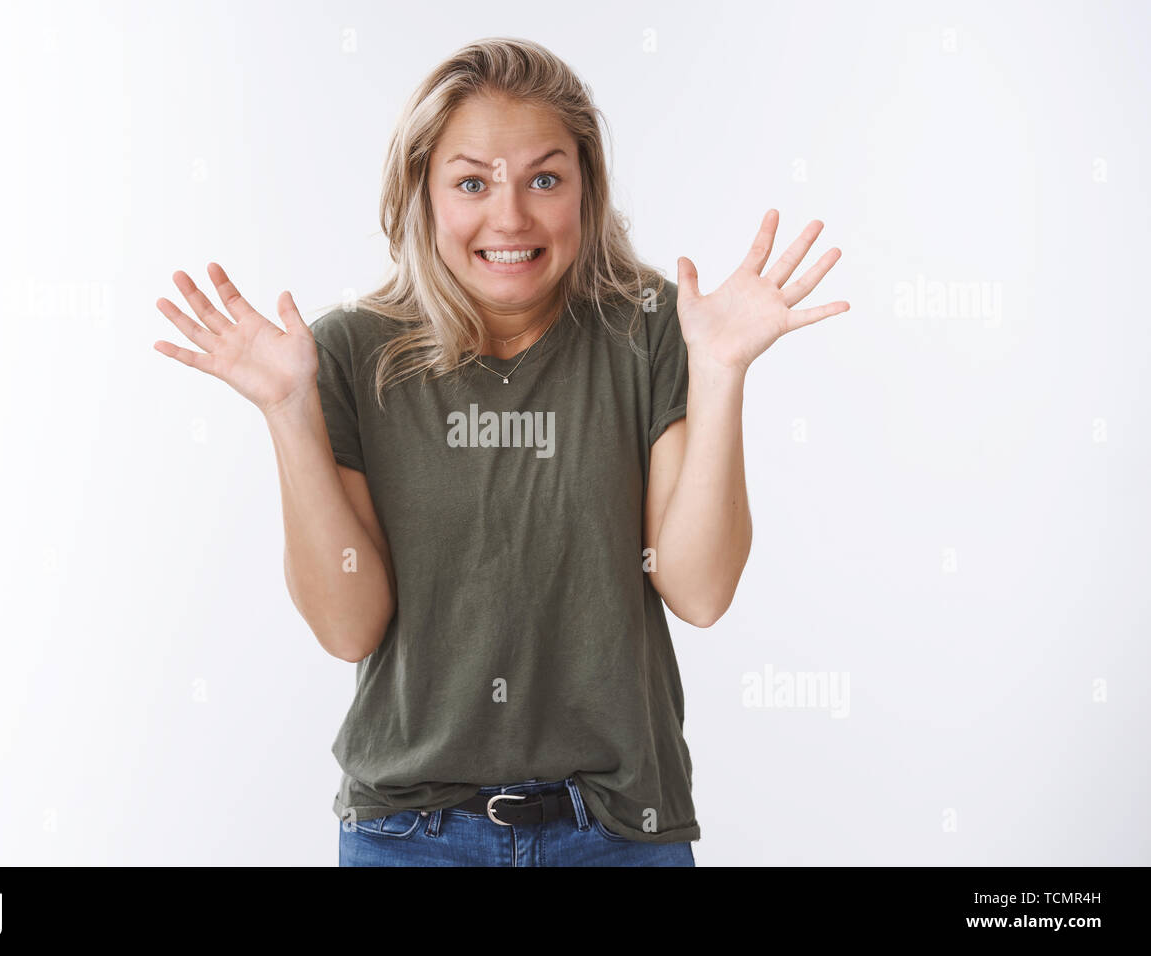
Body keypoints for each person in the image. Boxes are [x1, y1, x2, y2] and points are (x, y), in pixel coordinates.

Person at [153, 37, 849, 867]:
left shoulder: (653, 330)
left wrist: (722, 372)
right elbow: (348, 629)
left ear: (585, 190)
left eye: (544, 179)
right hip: (409, 836)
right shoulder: (344, 355)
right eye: (472, 182)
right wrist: (290, 409)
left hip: (618, 833)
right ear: (422, 193)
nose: (510, 217)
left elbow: (699, 592)